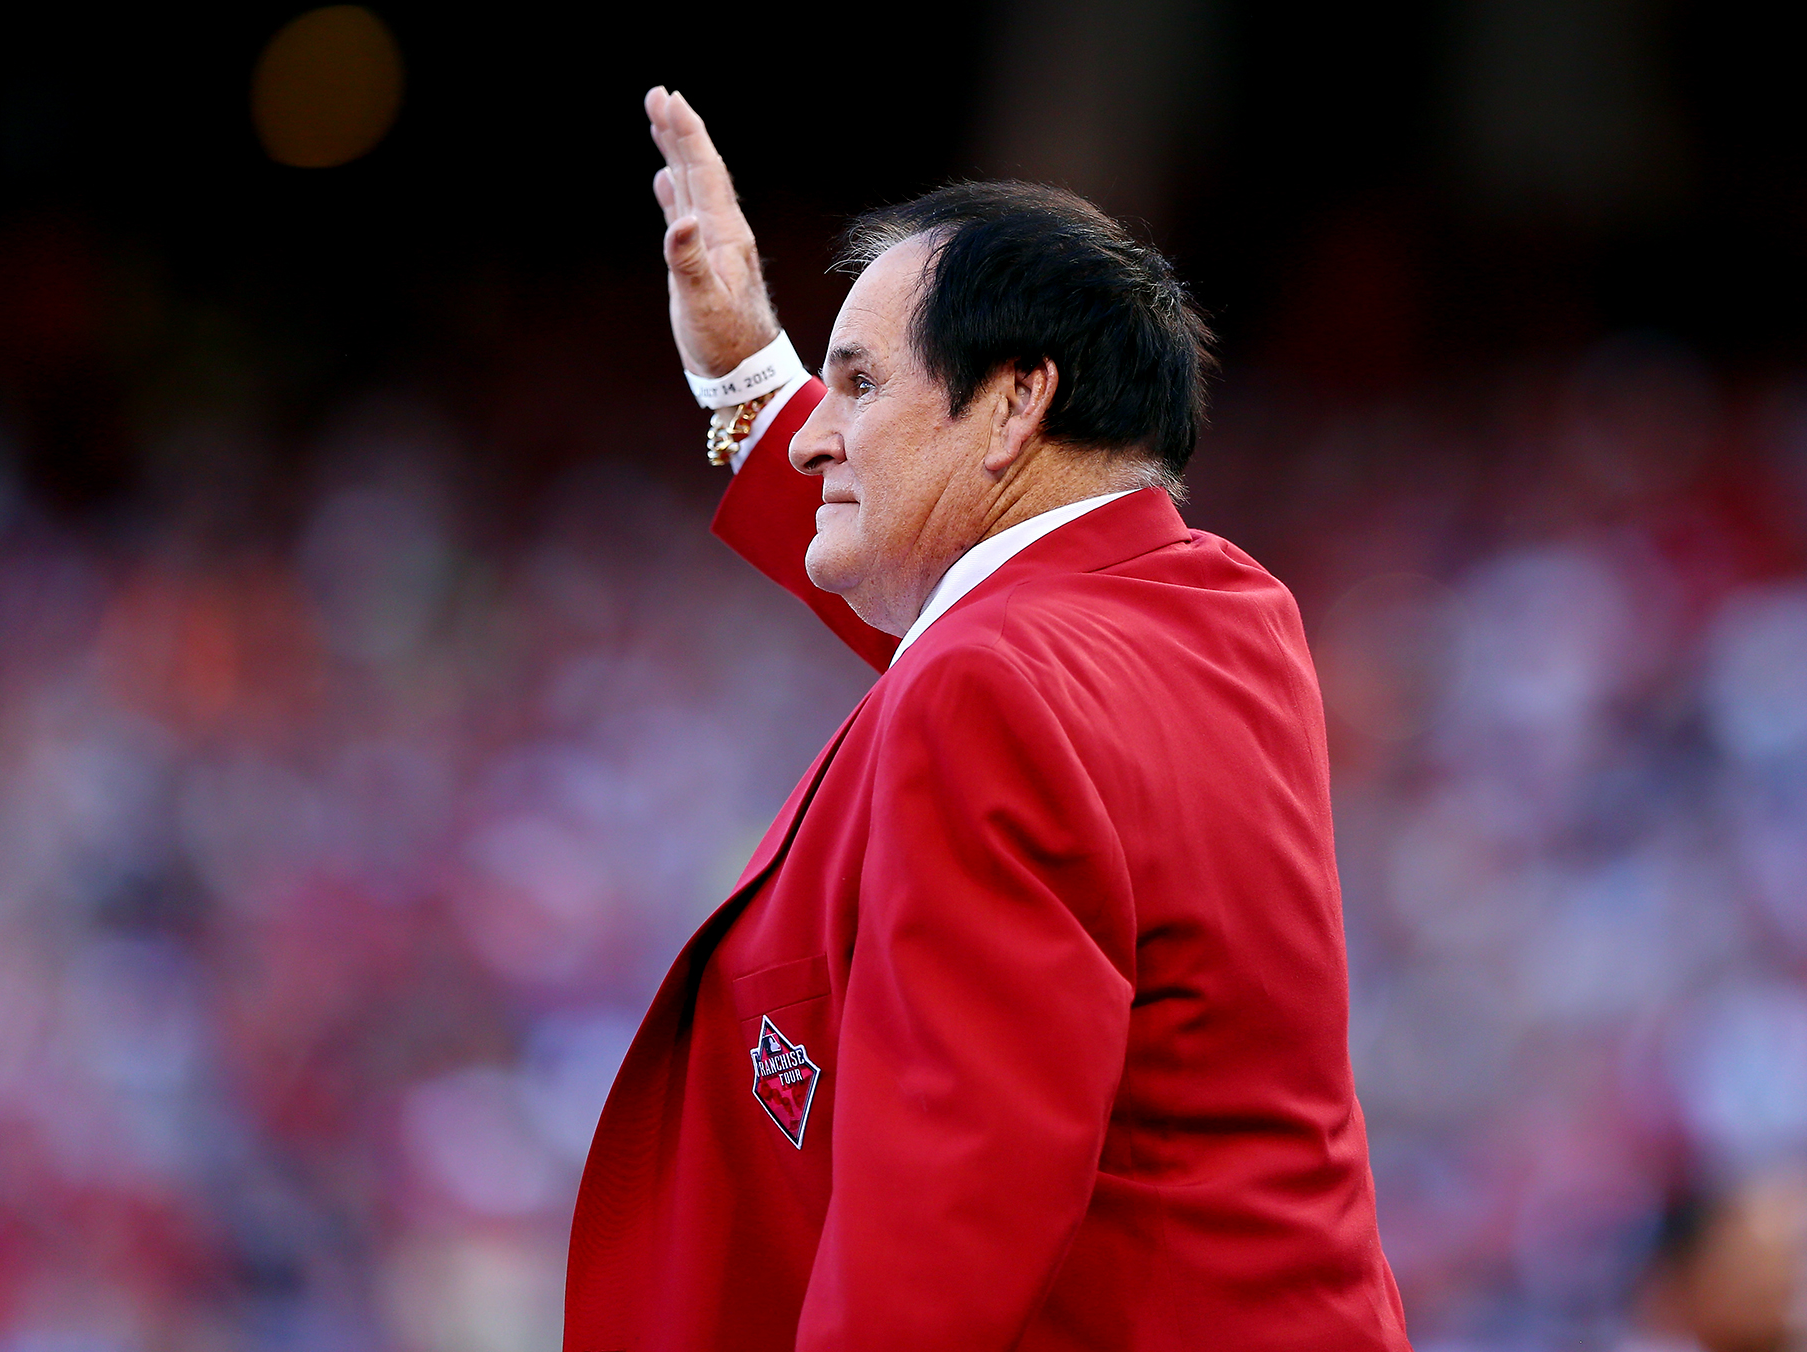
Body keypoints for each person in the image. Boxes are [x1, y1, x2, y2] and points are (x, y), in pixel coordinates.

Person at [562, 87, 1411, 1352]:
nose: (817, 441)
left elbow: (945, 1221)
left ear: (1016, 403)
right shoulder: (1226, 612)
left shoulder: (997, 692)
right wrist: (748, 369)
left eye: (858, 383)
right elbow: (998, 630)